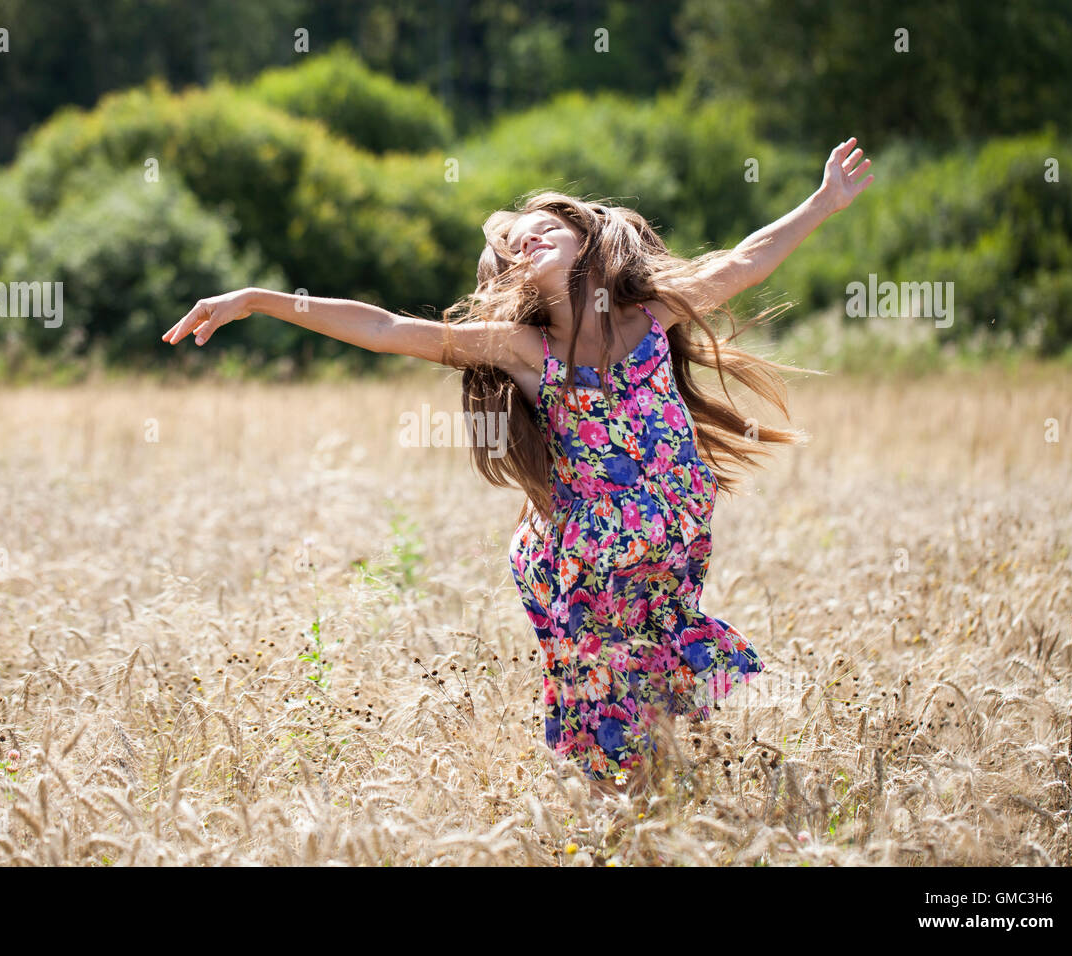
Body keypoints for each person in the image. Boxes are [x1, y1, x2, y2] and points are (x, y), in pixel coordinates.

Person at [162, 138, 875, 799]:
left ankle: (667, 806)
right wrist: (256, 299)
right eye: (515, 241)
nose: (528, 236)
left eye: (543, 225)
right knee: (607, 704)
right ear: (511, 272)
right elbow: (384, 330)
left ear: (587, 236)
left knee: (661, 683)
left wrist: (822, 202)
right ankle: (617, 818)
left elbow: (746, 261)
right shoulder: (521, 348)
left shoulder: (652, 315)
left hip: (669, 546)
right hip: (581, 560)